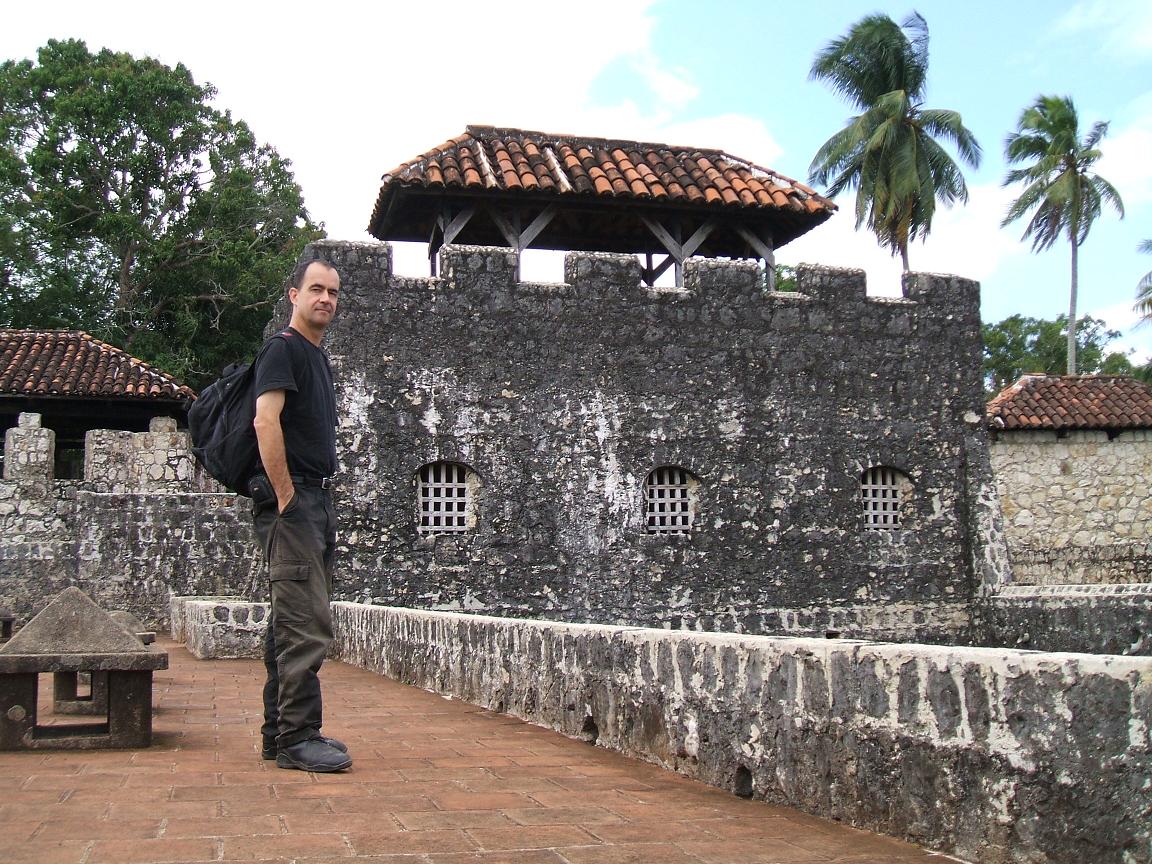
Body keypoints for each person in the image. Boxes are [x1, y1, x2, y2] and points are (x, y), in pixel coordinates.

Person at [249, 258, 351, 772]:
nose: (326, 299)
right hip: (294, 504)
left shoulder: (317, 358)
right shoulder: (282, 350)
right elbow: (266, 422)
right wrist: (287, 498)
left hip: (315, 499)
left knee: (288, 623)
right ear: (294, 295)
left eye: (333, 292)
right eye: (316, 289)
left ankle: (278, 734)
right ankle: (297, 737)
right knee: (306, 623)